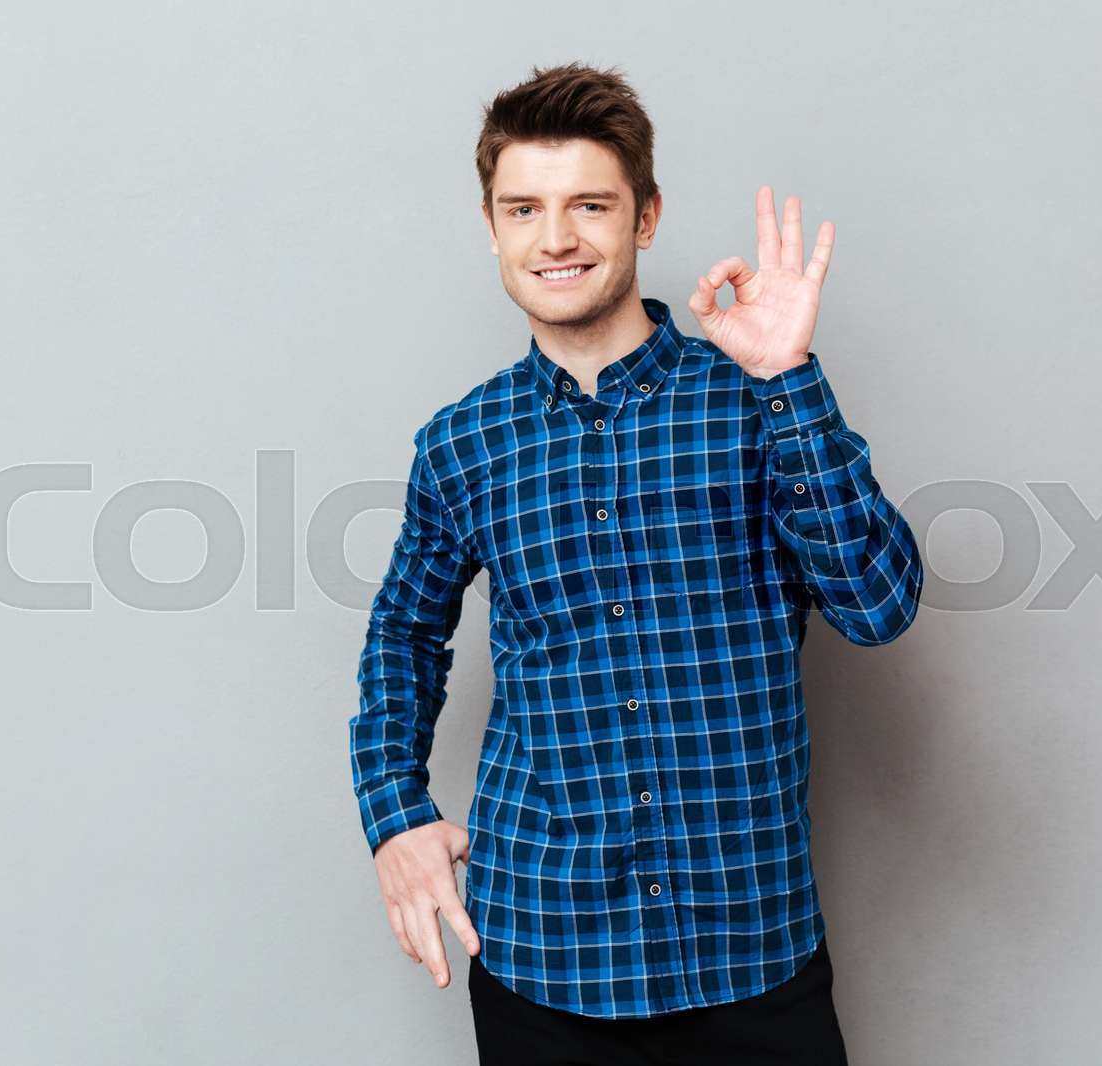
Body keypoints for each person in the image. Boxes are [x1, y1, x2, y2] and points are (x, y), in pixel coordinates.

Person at [349, 60, 924, 1065]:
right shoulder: (461, 444)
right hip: (544, 956)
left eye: (590, 205)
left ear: (646, 217)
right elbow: (403, 632)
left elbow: (878, 604)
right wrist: (395, 814)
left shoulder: (751, 396)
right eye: (522, 208)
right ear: (490, 227)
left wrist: (786, 374)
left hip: (749, 951)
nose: (555, 237)